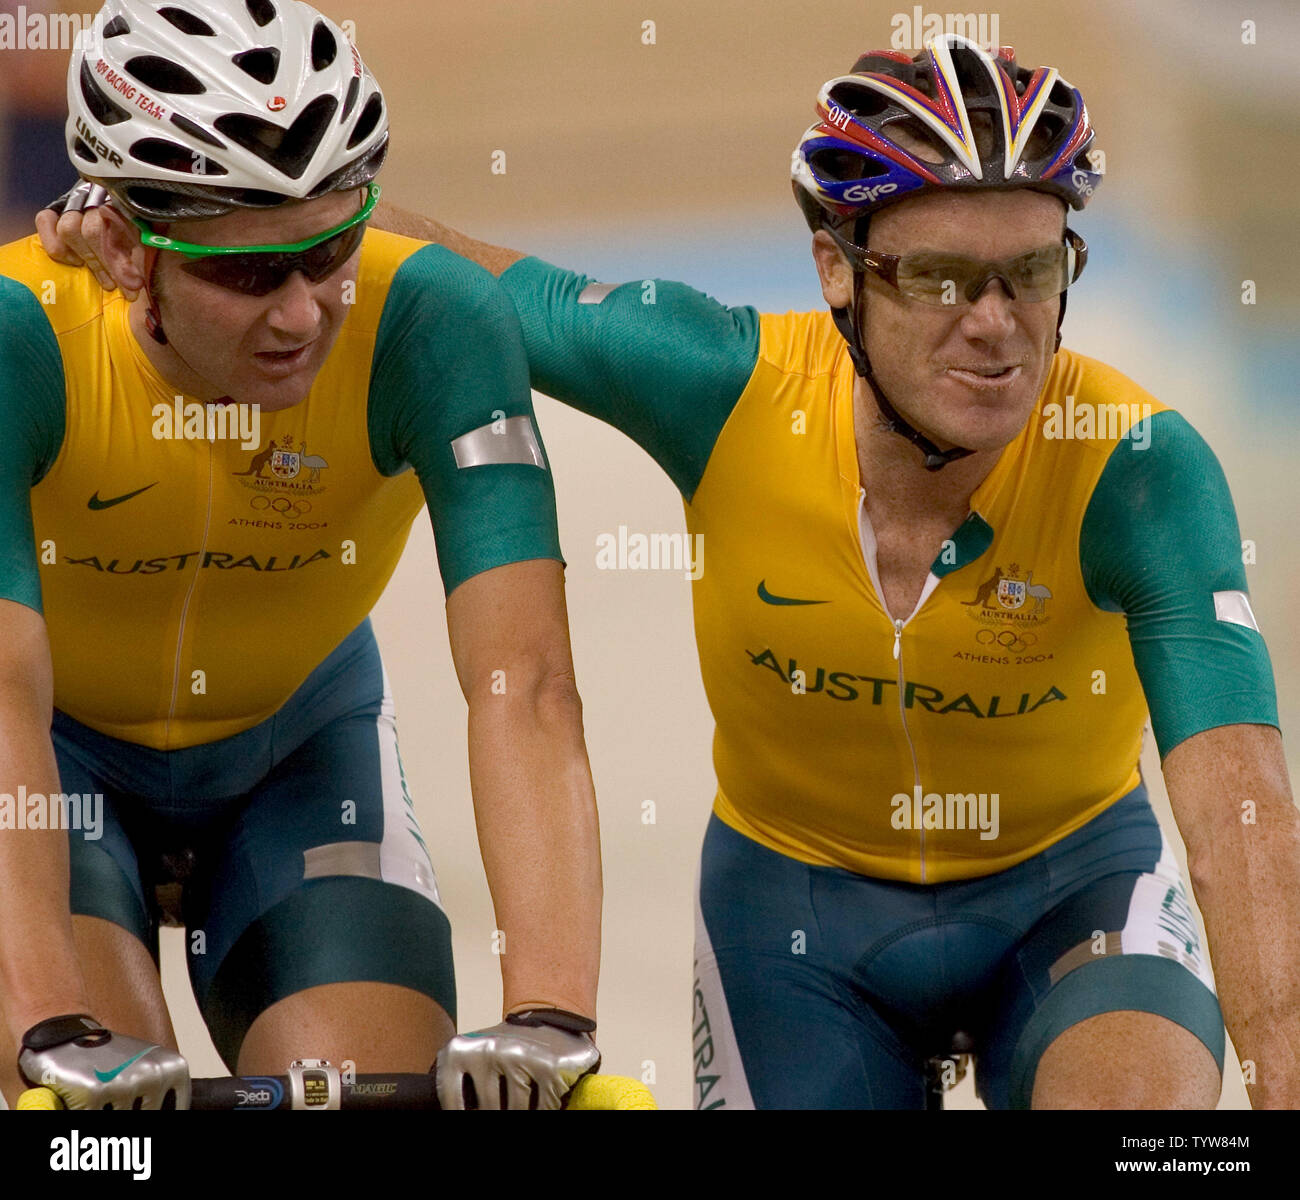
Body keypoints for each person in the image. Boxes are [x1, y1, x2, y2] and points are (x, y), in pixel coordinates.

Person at [44, 34, 1299, 1110]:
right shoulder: (719, 382)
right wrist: (154, 220)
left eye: (1031, 274)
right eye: (938, 276)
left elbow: (1240, 812)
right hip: (798, 928)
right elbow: (433, 270)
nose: (995, 323)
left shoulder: (1135, 466)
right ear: (836, 275)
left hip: (1073, 898)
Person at [3, 0, 602, 1111]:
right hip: (57, 764)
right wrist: (49, 1025)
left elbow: (527, 688)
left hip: (299, 756)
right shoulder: (19, 336)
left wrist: (550, 1012)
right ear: (126, 247)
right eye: (246, 276)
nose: (301, 317)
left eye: (330, 253)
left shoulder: (434, 322)